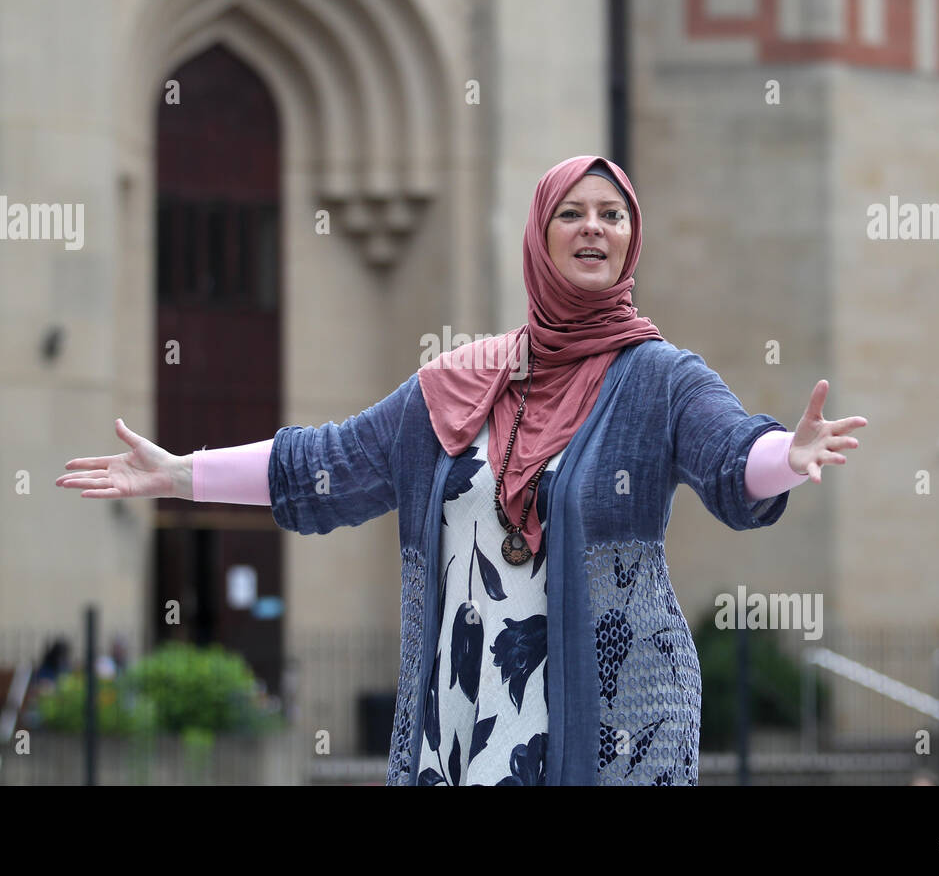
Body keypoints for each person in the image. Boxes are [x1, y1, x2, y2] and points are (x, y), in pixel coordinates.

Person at [56, 155, 867, 786]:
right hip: (464, 698)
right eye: (572, 213)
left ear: (631, 239)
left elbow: (730, 455)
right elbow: (331, 463)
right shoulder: (458, 383)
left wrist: (784, 459)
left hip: (612, 705)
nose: (594, 227)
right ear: (539, 237)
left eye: (612, 214)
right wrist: (179, 475)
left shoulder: (659, 378)